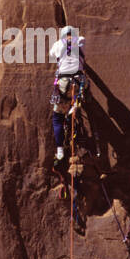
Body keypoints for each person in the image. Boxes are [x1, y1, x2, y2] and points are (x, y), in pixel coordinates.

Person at [49, 26, 85, 162]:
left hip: (64, 83)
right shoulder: (81, 40)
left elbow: (52, 54)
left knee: (57, 118)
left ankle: (59, 149)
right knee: (84, 93)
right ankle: (76, 104)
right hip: (80, 82)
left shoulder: (57, 44)